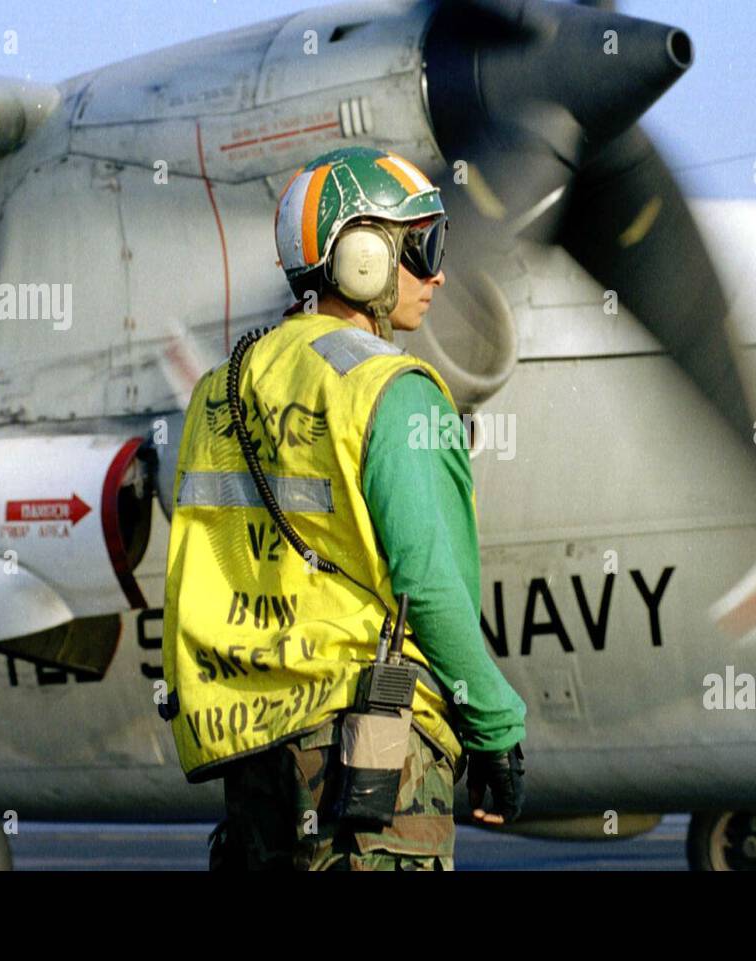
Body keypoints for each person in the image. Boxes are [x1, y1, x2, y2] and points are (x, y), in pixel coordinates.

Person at [161, 145, 527, 871]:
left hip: (253, 757)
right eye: (422, 247)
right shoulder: (390, 389)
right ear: (362, 257)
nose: (438, 273)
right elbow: (427, 580)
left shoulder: (217, 392)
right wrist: (494, 724)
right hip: (367, 753)